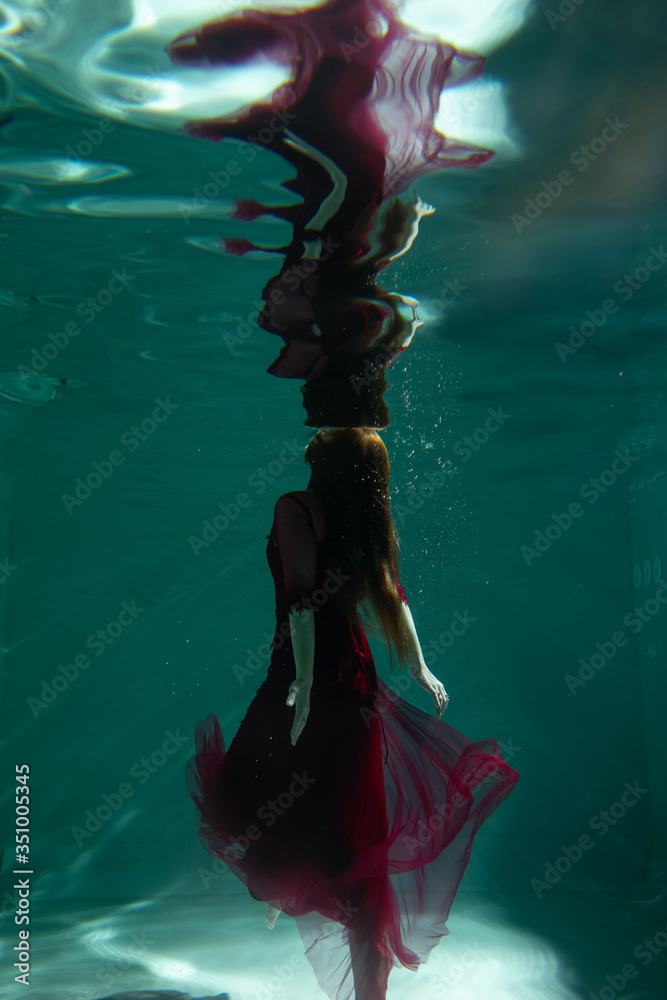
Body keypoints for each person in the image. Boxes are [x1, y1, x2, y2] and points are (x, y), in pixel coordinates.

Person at [187, 428, 518, 1000]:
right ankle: (362, 978)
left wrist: (309, 681)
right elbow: (390, 593)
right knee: (347, 825)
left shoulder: (297, 507)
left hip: (306, 673)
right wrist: (418, 668)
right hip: (349, 679)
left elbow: (302, 597)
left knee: (254, 791)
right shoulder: (359, 512)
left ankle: (285, 887)